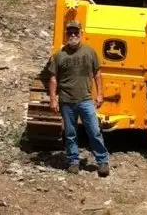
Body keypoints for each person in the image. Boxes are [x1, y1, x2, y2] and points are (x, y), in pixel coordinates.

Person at [48, 20, 110, 177]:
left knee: (94, 131)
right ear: (66, 34)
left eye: (76, 32)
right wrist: (53, 99)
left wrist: (100, 94)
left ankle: (102, 161)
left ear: (81, 33)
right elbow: (53, 78)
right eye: (70, 33)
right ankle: (73, 161)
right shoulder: (58, 56)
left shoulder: (89, 52)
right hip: (66, 101)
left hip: (85, 100)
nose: (73, 35)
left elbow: (97, 73)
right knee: (70, 132)